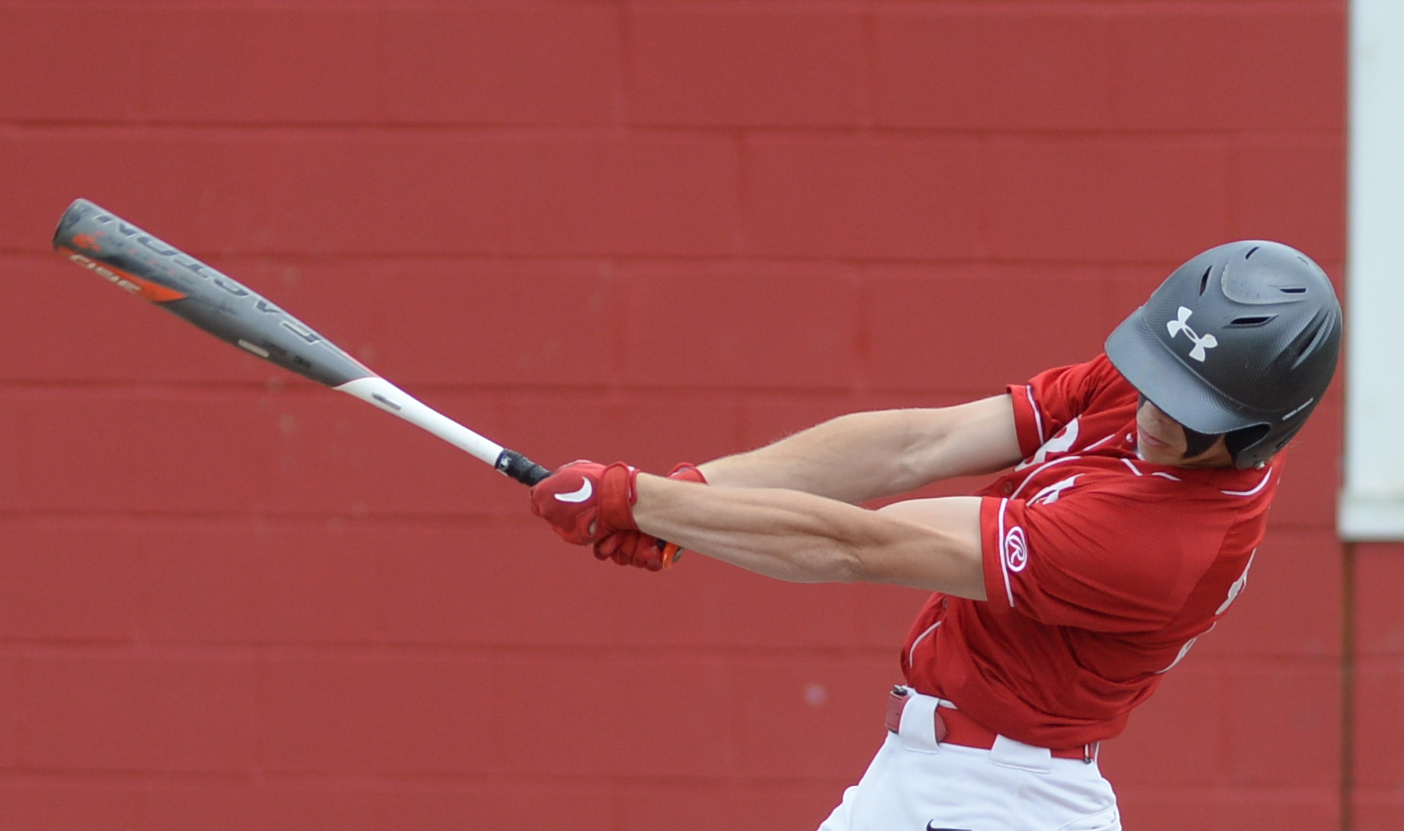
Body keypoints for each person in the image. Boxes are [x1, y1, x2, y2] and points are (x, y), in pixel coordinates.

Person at [528, 240, 1342, 831]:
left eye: (1190, 409)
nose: (1153, 410)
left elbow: (865, 544)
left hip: (995, 802)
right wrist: (695, 492)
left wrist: (646, 503)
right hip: (934, 779)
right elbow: (919, 444)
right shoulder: (1143, 389)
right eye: (1155, 377)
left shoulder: (1165, 543)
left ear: (1260, 431)